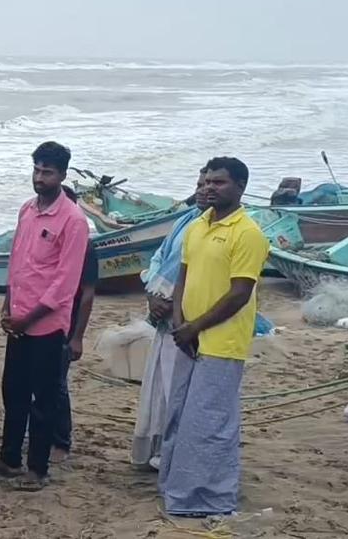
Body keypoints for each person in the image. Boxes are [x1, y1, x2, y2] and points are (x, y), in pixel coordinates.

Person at [158, 157, 269, 518]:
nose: (208, 187)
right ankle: (178, 488)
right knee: (180, 415)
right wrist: (180, 324)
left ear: (240, 187)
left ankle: (209, 497)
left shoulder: (247, 233)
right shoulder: (197, 226)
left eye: (218, 182)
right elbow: (182, 280)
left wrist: (196, 326)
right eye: (206, 181)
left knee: (210, 422)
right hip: (187, 337)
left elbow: (239, 294)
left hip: (221, 342)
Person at [0, 141, 88, 491]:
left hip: (47, 325)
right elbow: (18, 262)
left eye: (48, 172)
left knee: (44, 399)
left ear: (62, 175)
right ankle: (10, 457)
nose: (40, 178)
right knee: (14, 390)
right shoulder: (27, 210)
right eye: (37, 170)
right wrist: (9, 303)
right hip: (19, 320)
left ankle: (37, 468)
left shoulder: (73, 220)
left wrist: (29, 317)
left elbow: (65, 283)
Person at [131, 168, 209, 469]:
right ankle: (158, 451)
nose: (204, 190)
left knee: (181, 390)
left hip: (191, 321)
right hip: (164, 317)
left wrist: (174, 304)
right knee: (161, 387)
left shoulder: (215, 230)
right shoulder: (185, 220)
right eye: (200, 184)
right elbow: (158, 259)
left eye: (212, 183)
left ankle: (176, 455)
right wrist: (153, 293)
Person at [52, 186, 99, 463]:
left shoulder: (85, 246)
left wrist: (78, 336)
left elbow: (88, 294)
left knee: (57, 381)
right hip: (40, 317)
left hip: (66, 320)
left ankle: (61, 441)